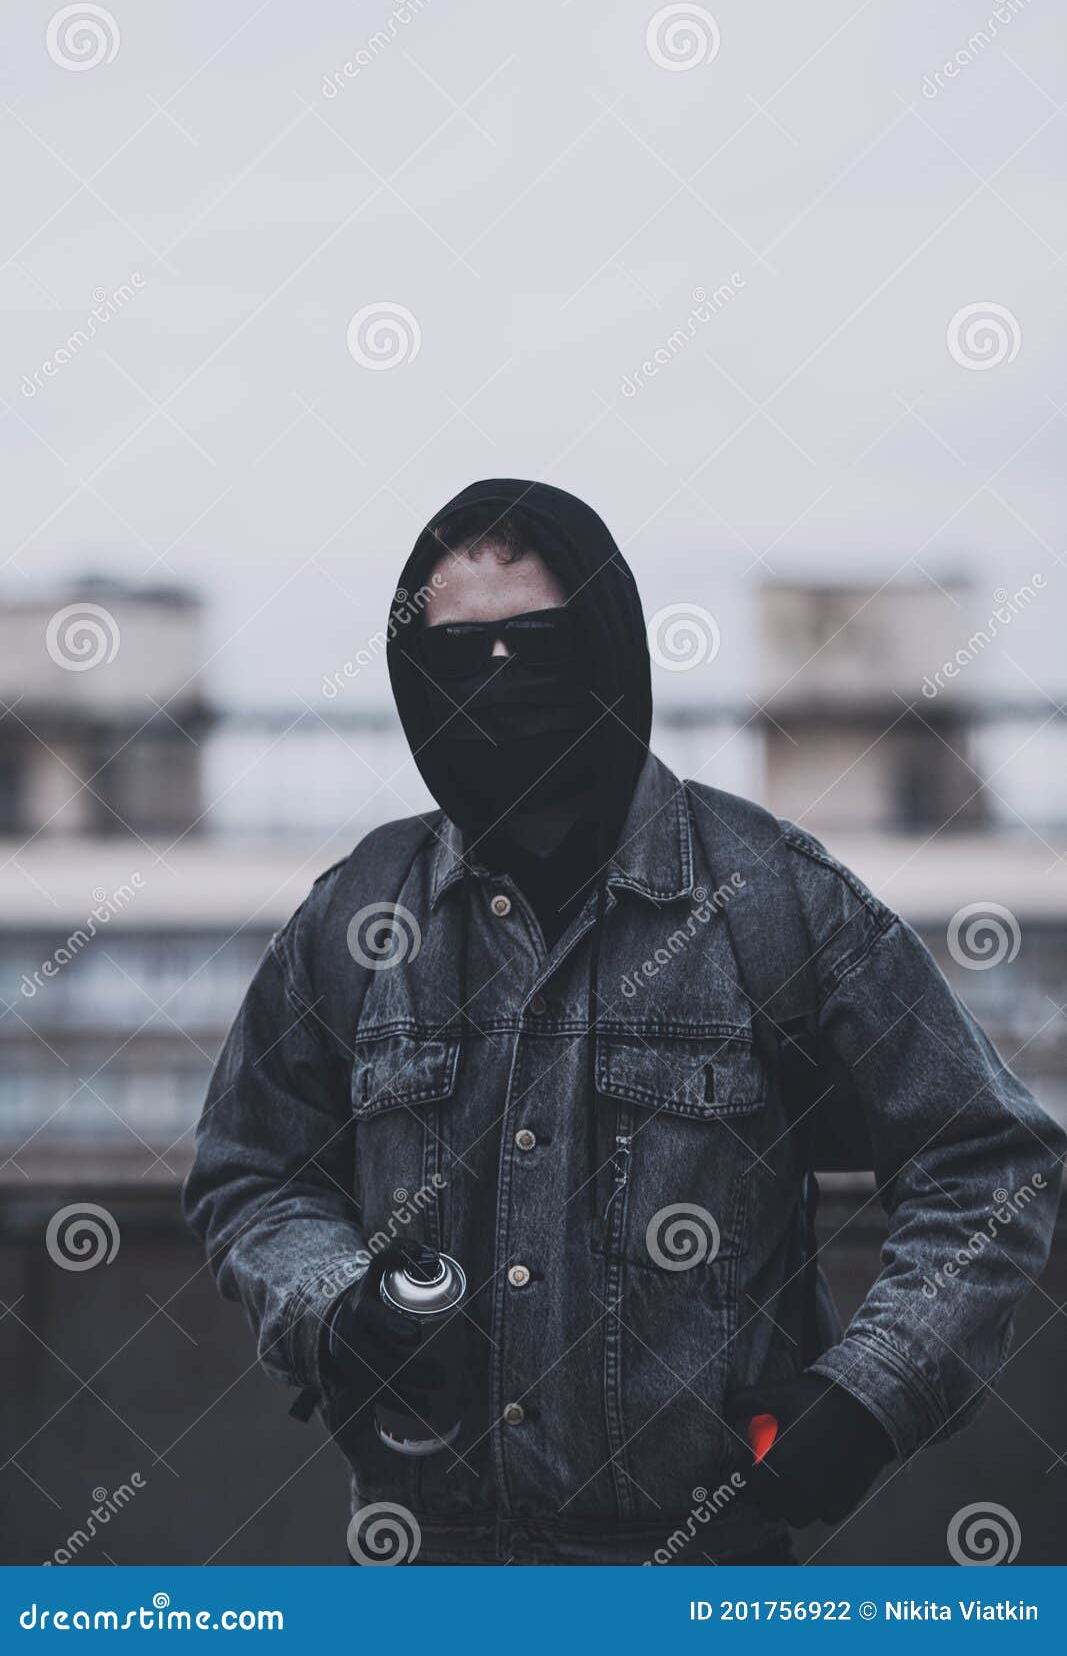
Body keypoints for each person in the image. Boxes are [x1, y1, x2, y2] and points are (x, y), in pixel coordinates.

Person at [184, 478, 1063, 1566]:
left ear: (605, 646)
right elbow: (248, 1170)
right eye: (457, 658)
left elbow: (985, 1159)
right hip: (418, 1578)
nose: (494, 688)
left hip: (689, 1576)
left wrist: (868, 1392)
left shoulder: (773, 899)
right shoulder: (358, 917)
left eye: (534, 647)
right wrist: (334, 1307)